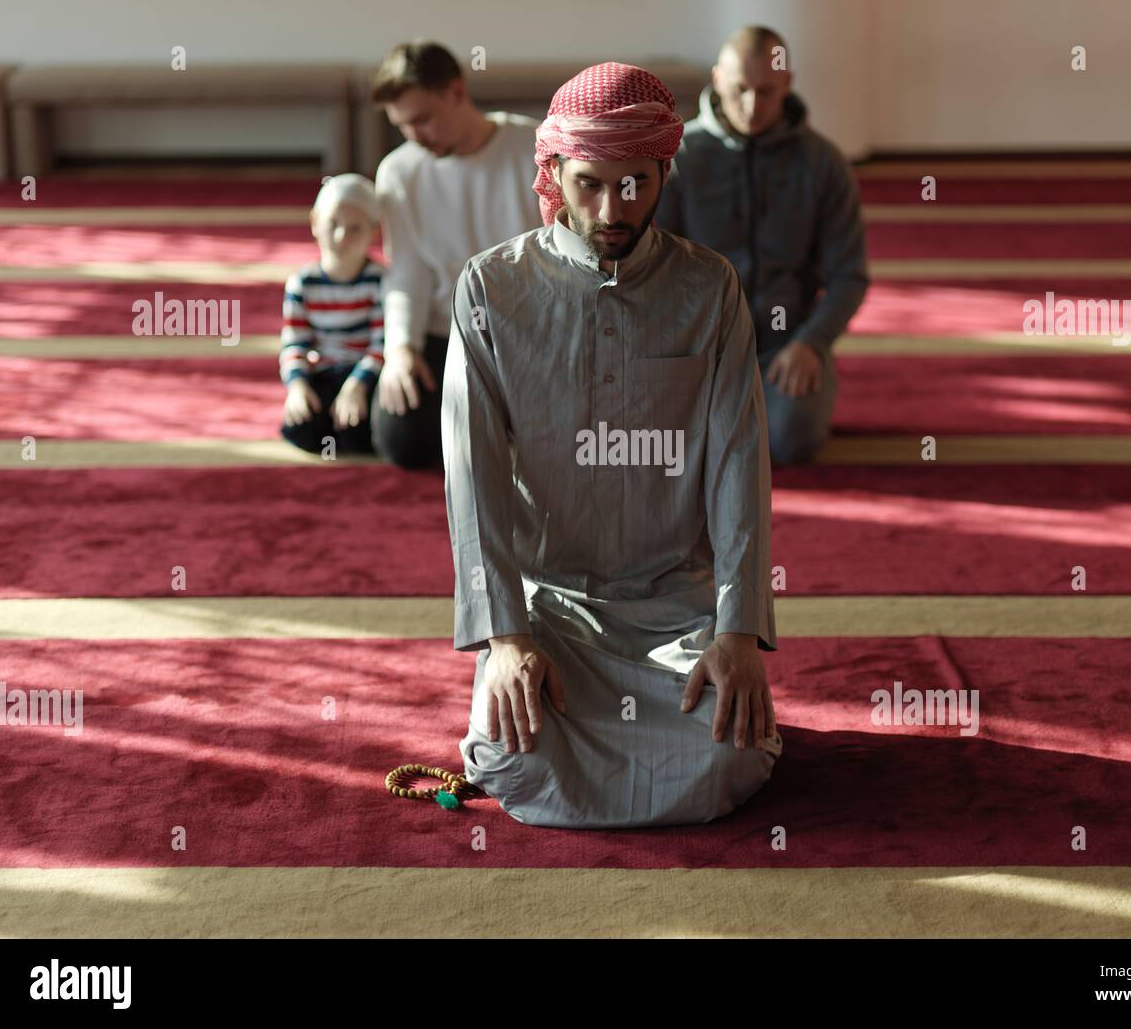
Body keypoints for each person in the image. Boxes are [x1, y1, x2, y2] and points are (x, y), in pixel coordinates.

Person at [445, 63, 782, 829]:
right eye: (590, 183)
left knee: (735, 749)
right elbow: (476, 479)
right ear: (554, 171)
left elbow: (738, 463)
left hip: (673, 608)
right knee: (512, 755)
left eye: (634, 183)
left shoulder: (709, 289)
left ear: (664, 169)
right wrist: (504, 639)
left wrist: (736, 634)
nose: (611, 208)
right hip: (548, 609)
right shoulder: (490, 290)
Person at [656, 25, 870, 464]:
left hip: (785, 342)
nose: (752, 107)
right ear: (716, 80)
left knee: (791, 440)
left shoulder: (823, 163)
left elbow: (850, 274)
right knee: (667, 446)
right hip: (701, 344)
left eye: (767, 92)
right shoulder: (679, 159)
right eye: (740, 90)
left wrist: (812, 343)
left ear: (787, 84)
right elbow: (654, 267)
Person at [371, 40, 542, 468]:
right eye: (403, 126)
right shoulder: (399, 171)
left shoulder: (534, 148)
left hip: (525, 335)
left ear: (457, 92)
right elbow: (406, 273)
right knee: (402, 441)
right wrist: (399, 351)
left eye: (423, 120)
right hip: (445, 335)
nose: (415, 136)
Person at [279, 173, 385, 457]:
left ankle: (349, 432)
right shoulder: (302, 283)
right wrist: (298, 387)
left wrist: (357, 385)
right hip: (325, 371)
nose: (341, 236)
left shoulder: (379, 281)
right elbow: (294, 344)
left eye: (355, 228)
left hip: (366, 374)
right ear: (315, 222)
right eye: (333, 225)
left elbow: (381, 344)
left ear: (373, 230)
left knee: (359, 429)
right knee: (300, 427)